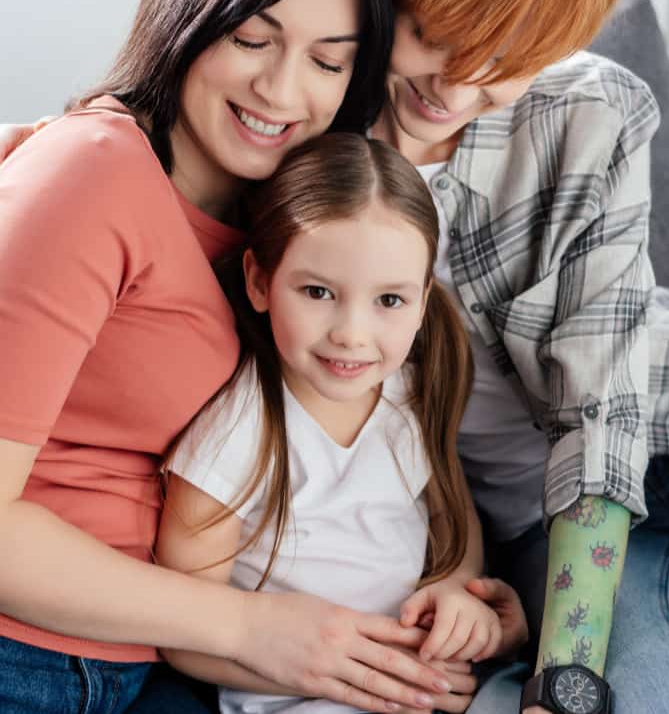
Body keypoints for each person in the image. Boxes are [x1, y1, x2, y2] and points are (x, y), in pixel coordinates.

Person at [0, 0, 669, 711]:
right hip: (535, 517)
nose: (459, 84)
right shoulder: (308, 125)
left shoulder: (592, 109)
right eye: (438, 35)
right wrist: (51, 137)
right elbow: (175, 124)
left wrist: (561, 660)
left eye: (507, 66)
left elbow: (601, 410)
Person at [0, 0, 500, 712]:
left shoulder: (295, 221)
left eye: (327, 61)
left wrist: (459, 597)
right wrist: (253, 626)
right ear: (189, 16)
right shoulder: (88, 173)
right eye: (251, 39)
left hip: (137, 673)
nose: (281, 90)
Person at [155, 132, 529, 714]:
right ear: (260, 282)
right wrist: (339, 678)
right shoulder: (237, 434)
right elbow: (185, 633)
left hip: (426, 685)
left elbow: (450, 515)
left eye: (389, 301)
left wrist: (456, 587)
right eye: (318, 291)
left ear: (424, 298)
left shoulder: (408, 394)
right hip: (306, 699)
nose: (351, 333)